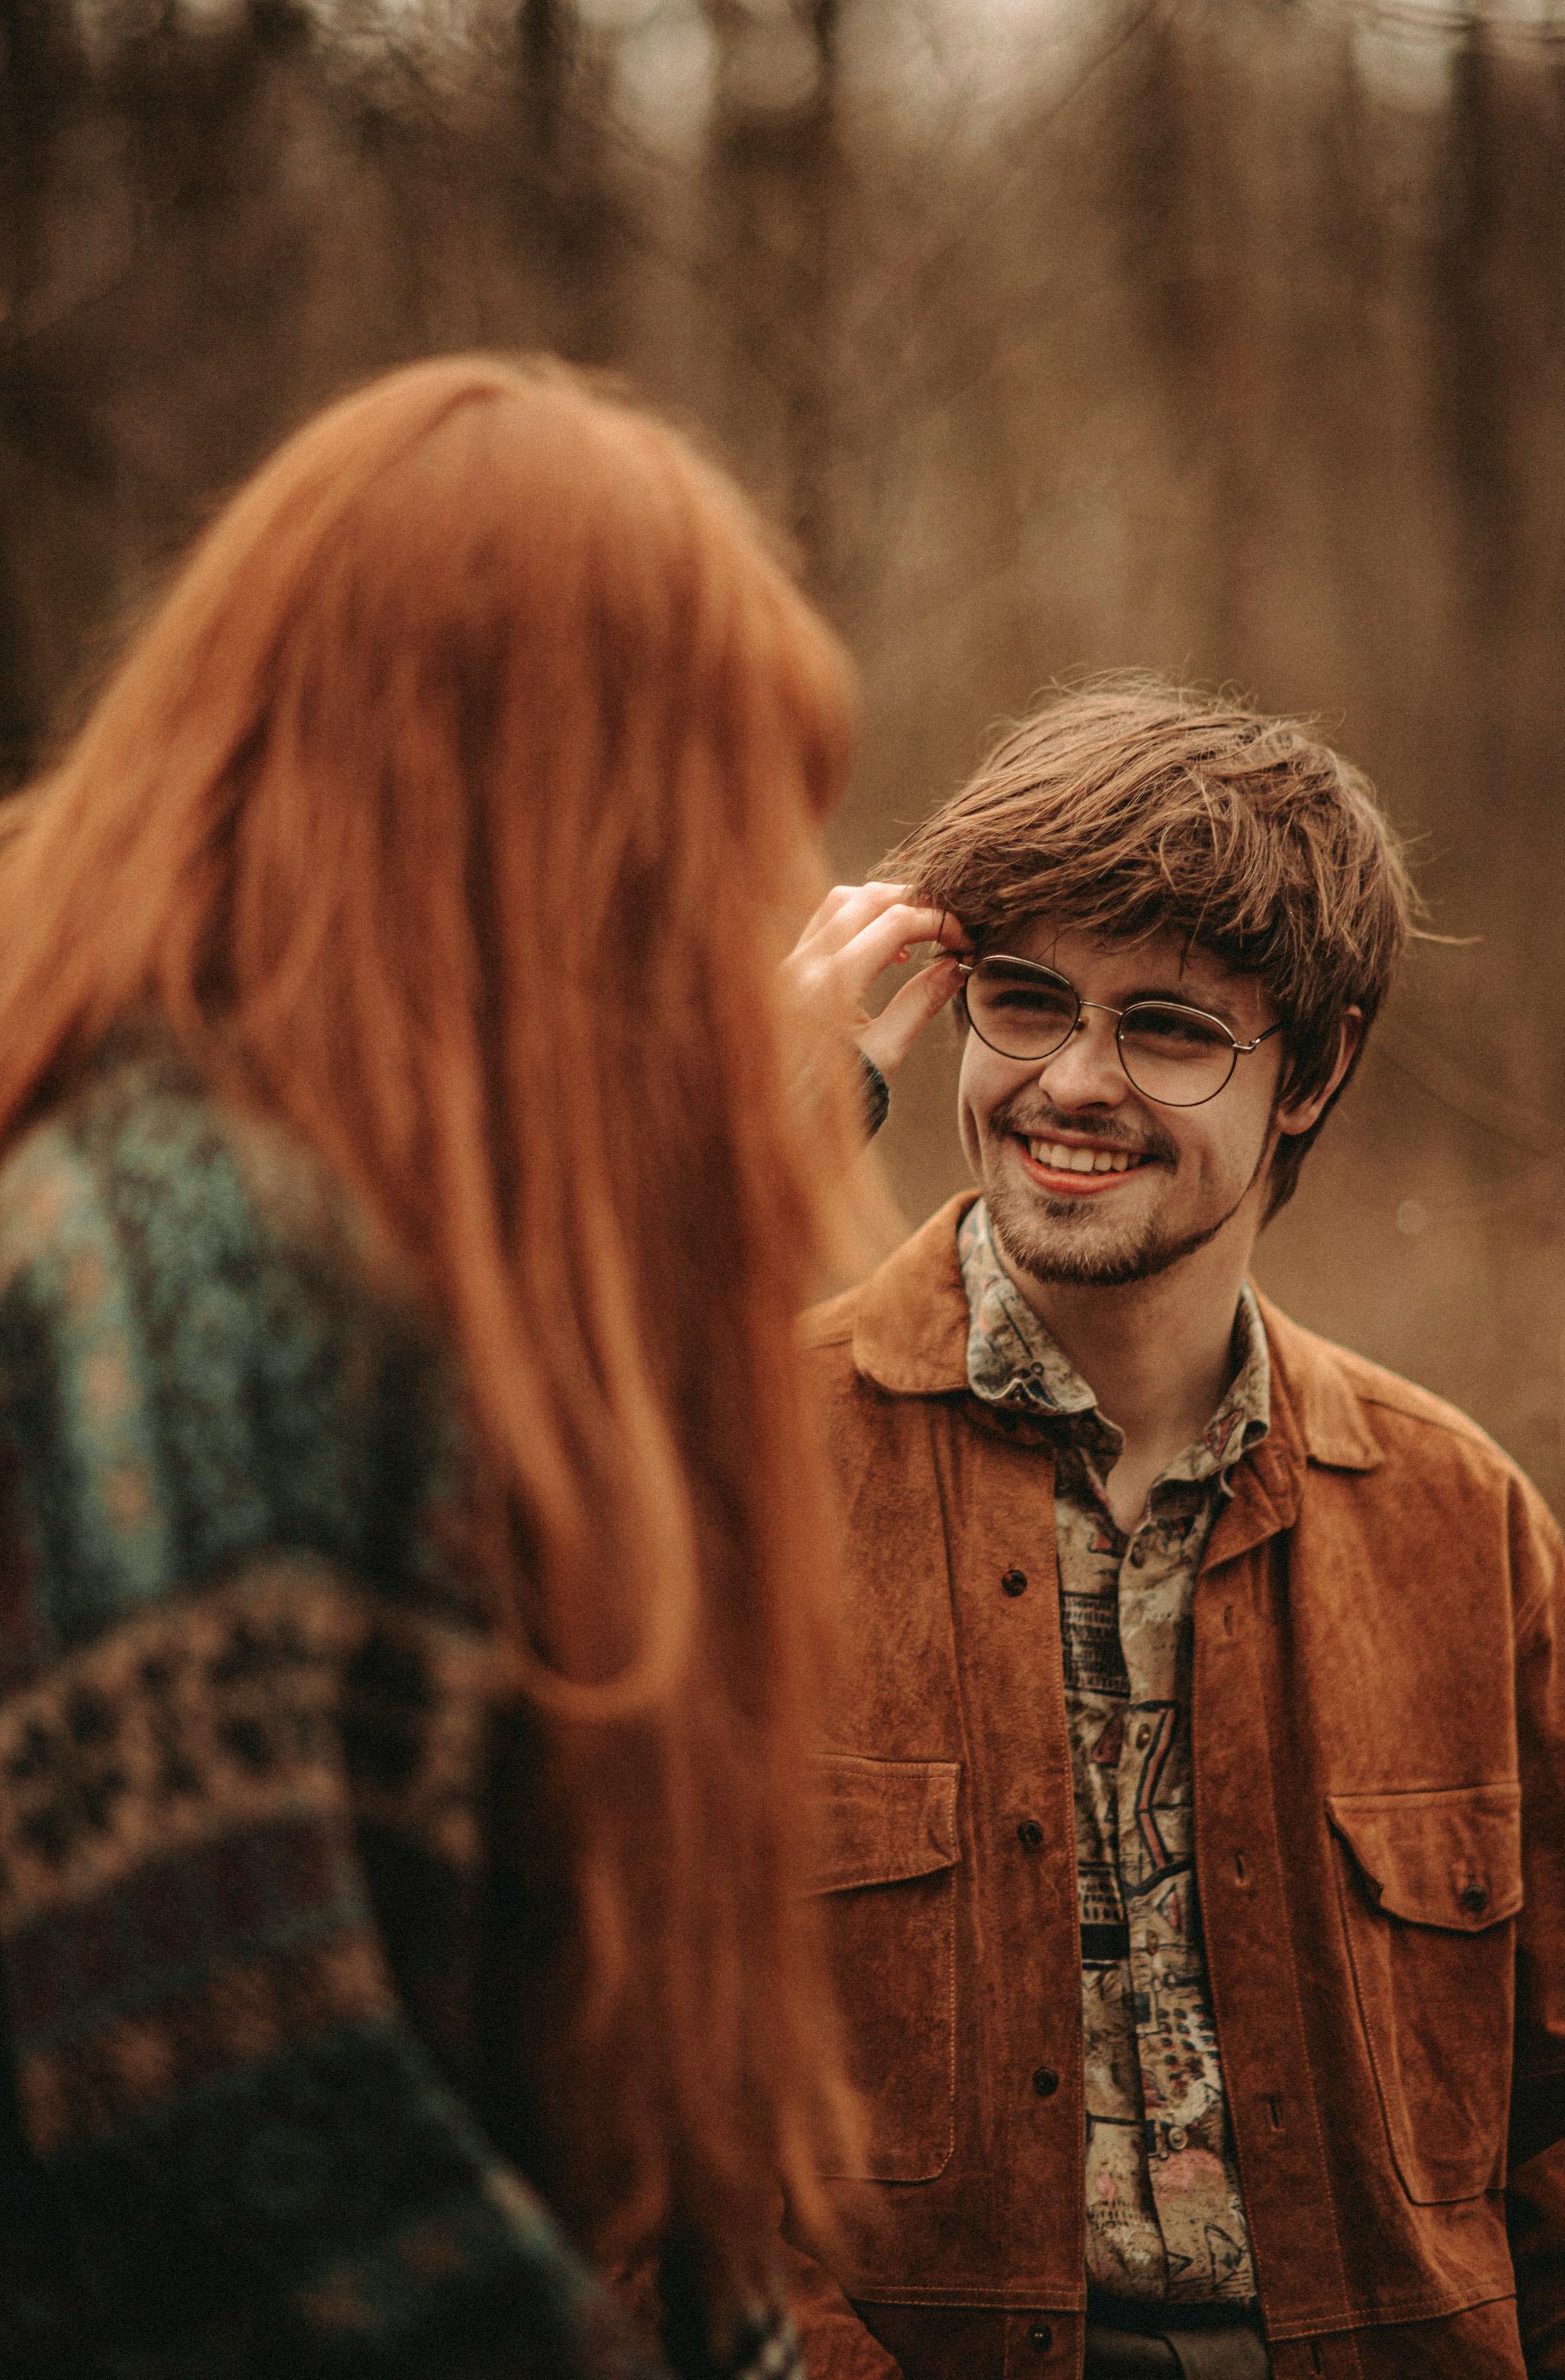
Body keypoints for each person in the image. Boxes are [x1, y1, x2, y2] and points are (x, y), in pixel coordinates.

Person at [0, 355, 861, 2378]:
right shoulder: (176, 1235)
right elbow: (216, 2079)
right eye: (710, 810)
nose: (750, 901)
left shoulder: (382, 1230)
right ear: (521, 810)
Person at [779, 677, 1565, 2380]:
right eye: (1022, 1002)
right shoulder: (744, 1466)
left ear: (1309, 1071)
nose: (1071, 1084)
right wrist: (758, 1127)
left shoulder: (1459, 1527)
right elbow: (609, 2131)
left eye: (1165, 1027)